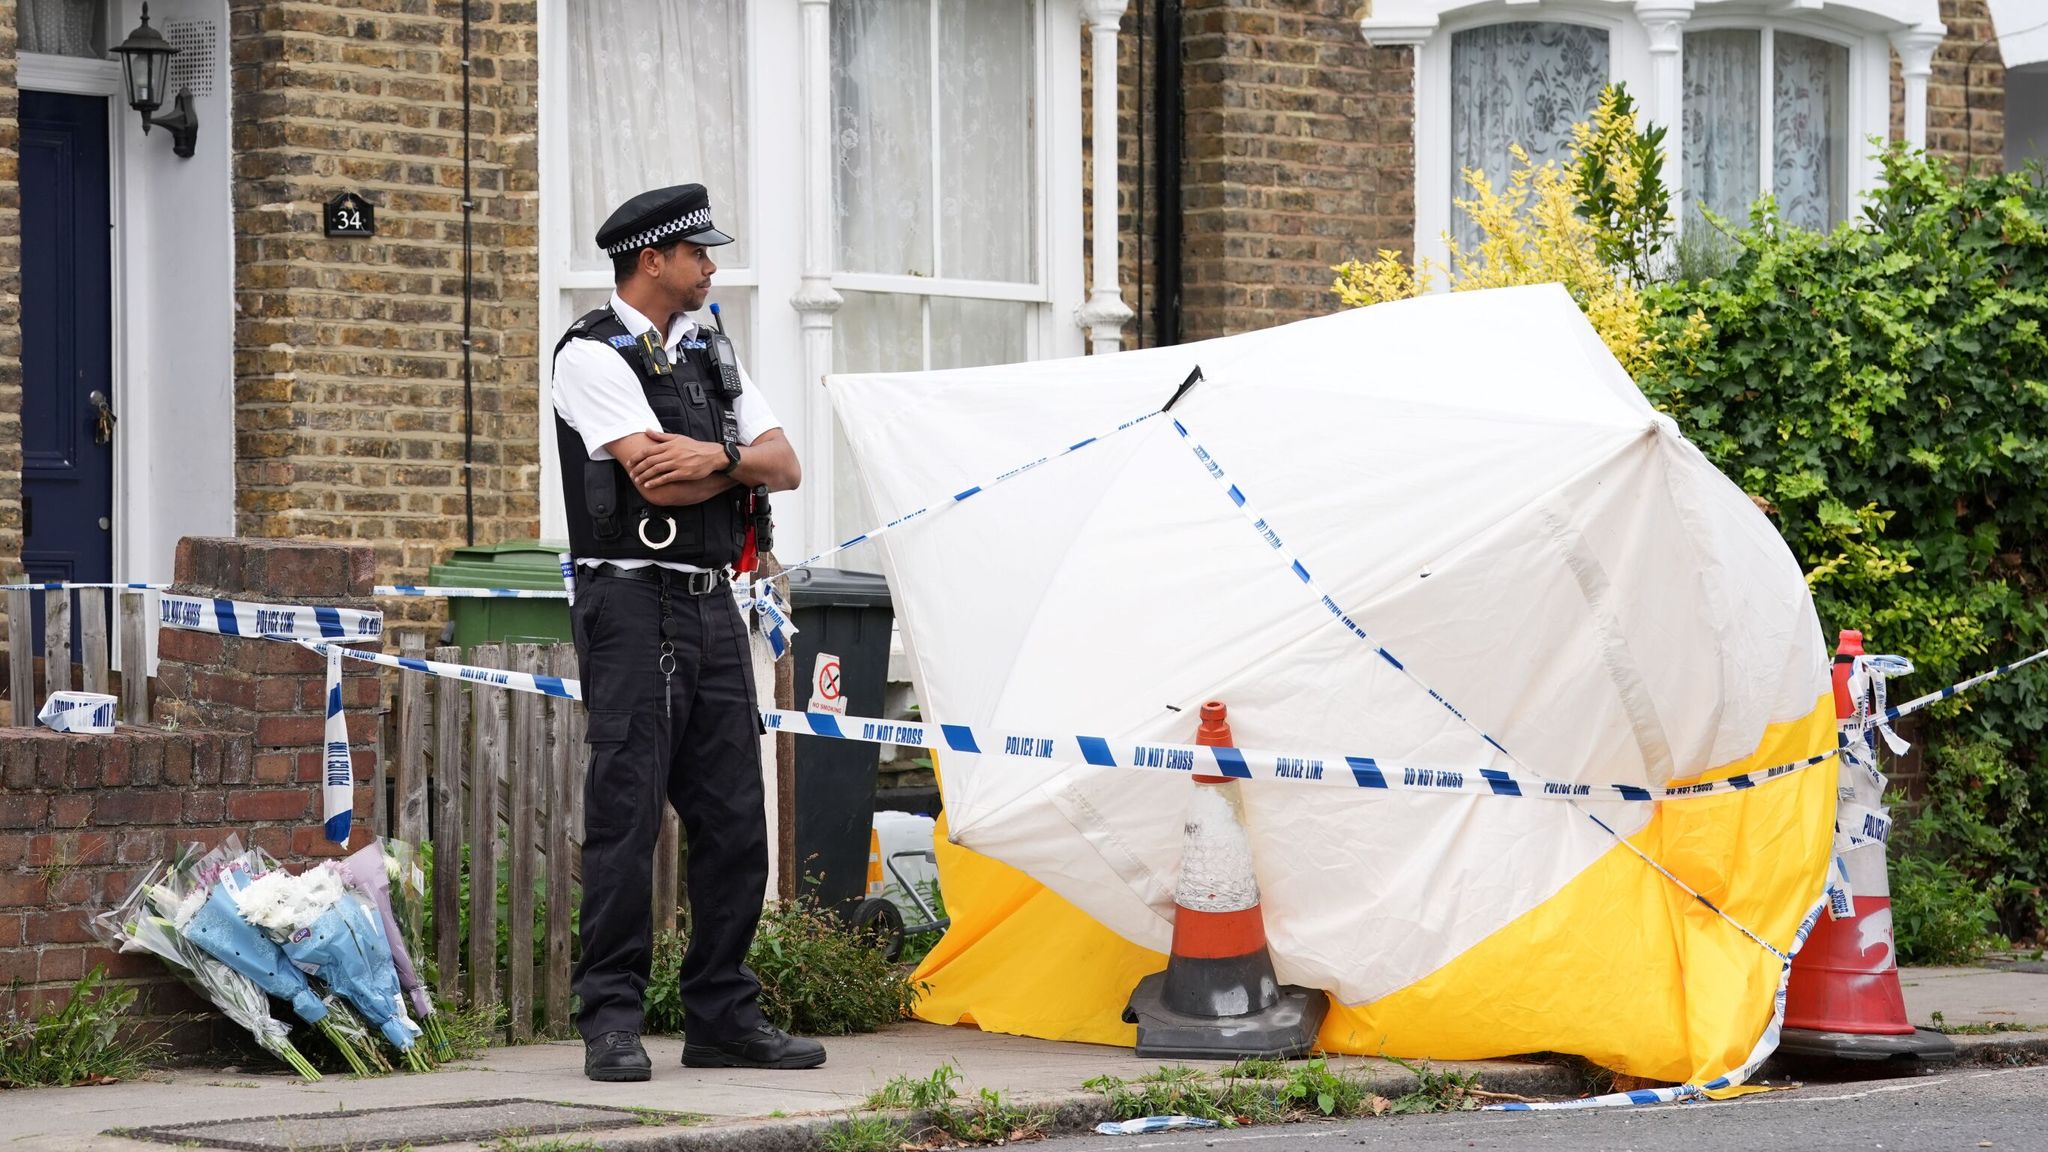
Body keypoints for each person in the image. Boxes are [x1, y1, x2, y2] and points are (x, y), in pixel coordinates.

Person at [552, 183, 817, 1082]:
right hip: (629, 604)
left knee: (737, 820)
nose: (712, 266)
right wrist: (727, 469)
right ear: (652, 260)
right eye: (699, 254)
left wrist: (717, 458)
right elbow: (652, 487)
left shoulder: (715, 353)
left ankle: (723, 1016)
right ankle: (612, 1022)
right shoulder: (590, 357)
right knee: (626, 819)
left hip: (712, 601)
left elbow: (785, 464)